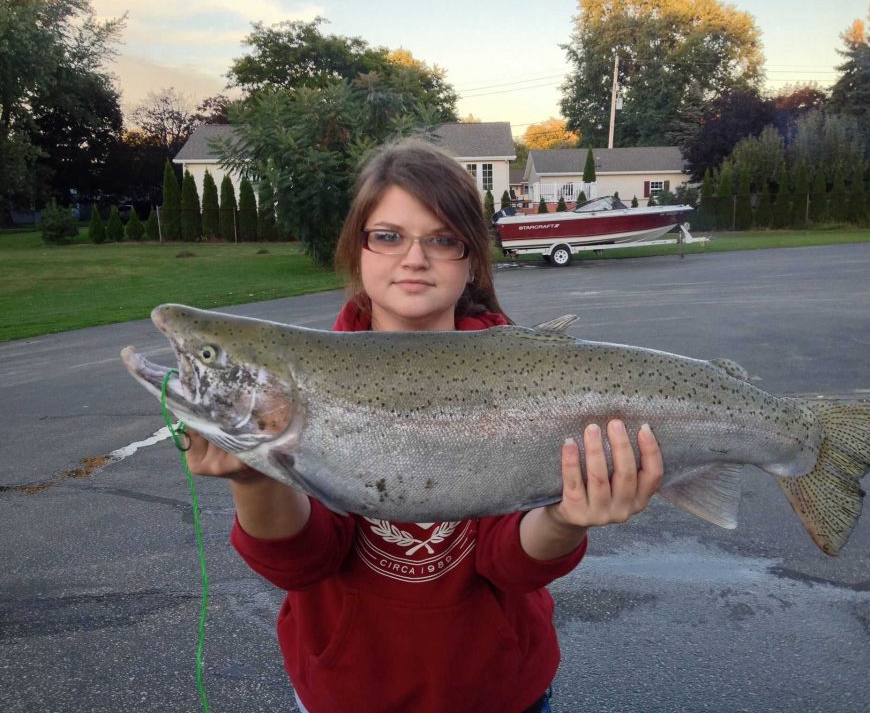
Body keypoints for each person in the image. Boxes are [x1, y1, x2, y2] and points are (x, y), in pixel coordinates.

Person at [183, 139, 663, 713]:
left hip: (502, 695)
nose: (414, 258)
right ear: (357, 249)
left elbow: (508, 566)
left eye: (442, 239)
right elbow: (304, 563)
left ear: (472, 259)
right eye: (388, 236)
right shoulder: (300, 383)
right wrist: (253, 479)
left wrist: (565, 518)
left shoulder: (522, 378)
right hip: (346, 695)